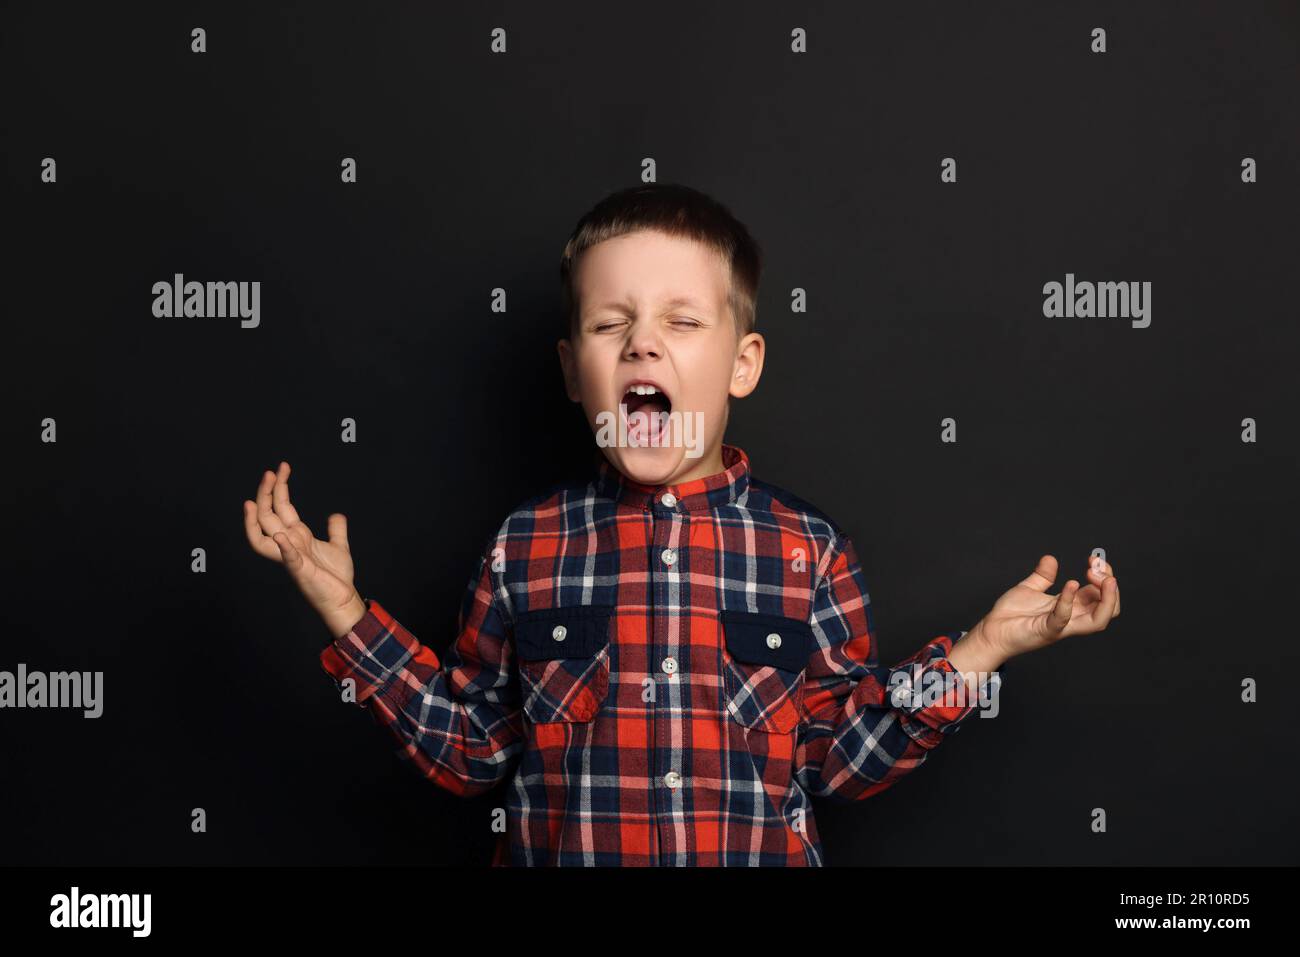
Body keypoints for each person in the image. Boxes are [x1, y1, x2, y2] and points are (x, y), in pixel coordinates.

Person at [242, 182, 1121, 865]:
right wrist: (346, 612)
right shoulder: (523, 546)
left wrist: (979, 652)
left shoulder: (809, 551)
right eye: (610, 323)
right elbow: (472, 749)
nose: (642, 342)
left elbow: (842, 755)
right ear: (573, 371)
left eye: (683, 320)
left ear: (743, 363)